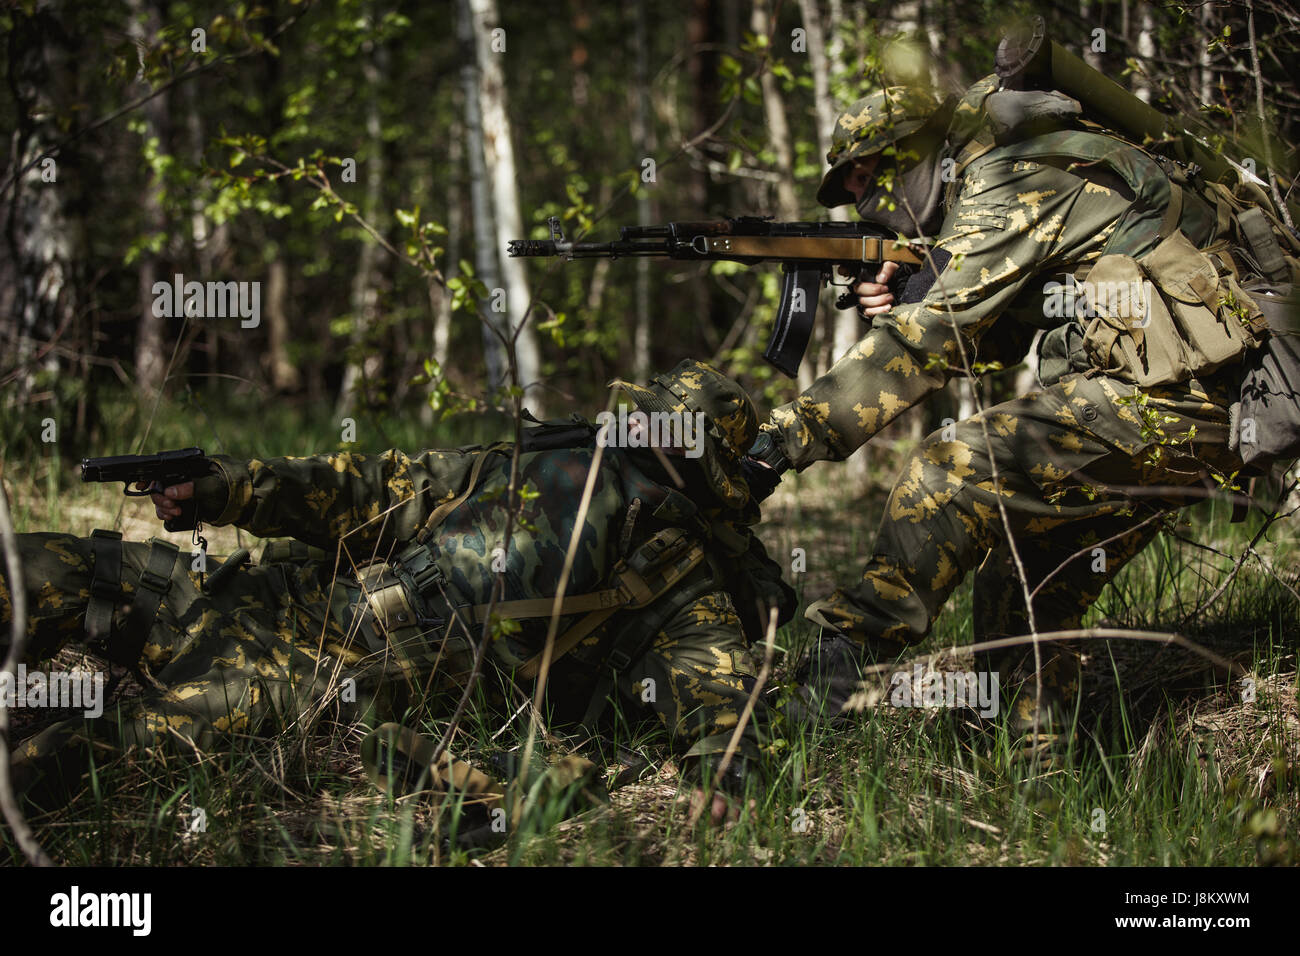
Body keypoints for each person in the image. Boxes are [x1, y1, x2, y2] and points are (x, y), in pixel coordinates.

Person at [3, 360, 793, 825]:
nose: (639, 441)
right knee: (45, 568)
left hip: (328, 676)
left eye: (664, 439)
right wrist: (223, 490)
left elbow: (716, 685)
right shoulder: (520, 462)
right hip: (273, 591)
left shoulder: (678, 582)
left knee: (112, 741)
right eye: (643, 425)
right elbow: (368, 489)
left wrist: (720, 770)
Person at [746, 77, 1297, 736]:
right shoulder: (1031, 165)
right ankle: (1035, 767)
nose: (865, 196)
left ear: (911, 152)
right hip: (1198, 408)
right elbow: (1004, 330)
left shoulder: (1004, 176)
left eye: (867, 175)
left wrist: (774, 447)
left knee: (953, 470)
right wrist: (925, 289)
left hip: (1186, 401)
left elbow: (930, 344)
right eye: (855, 189)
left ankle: (822, 694)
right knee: (1028, 572)